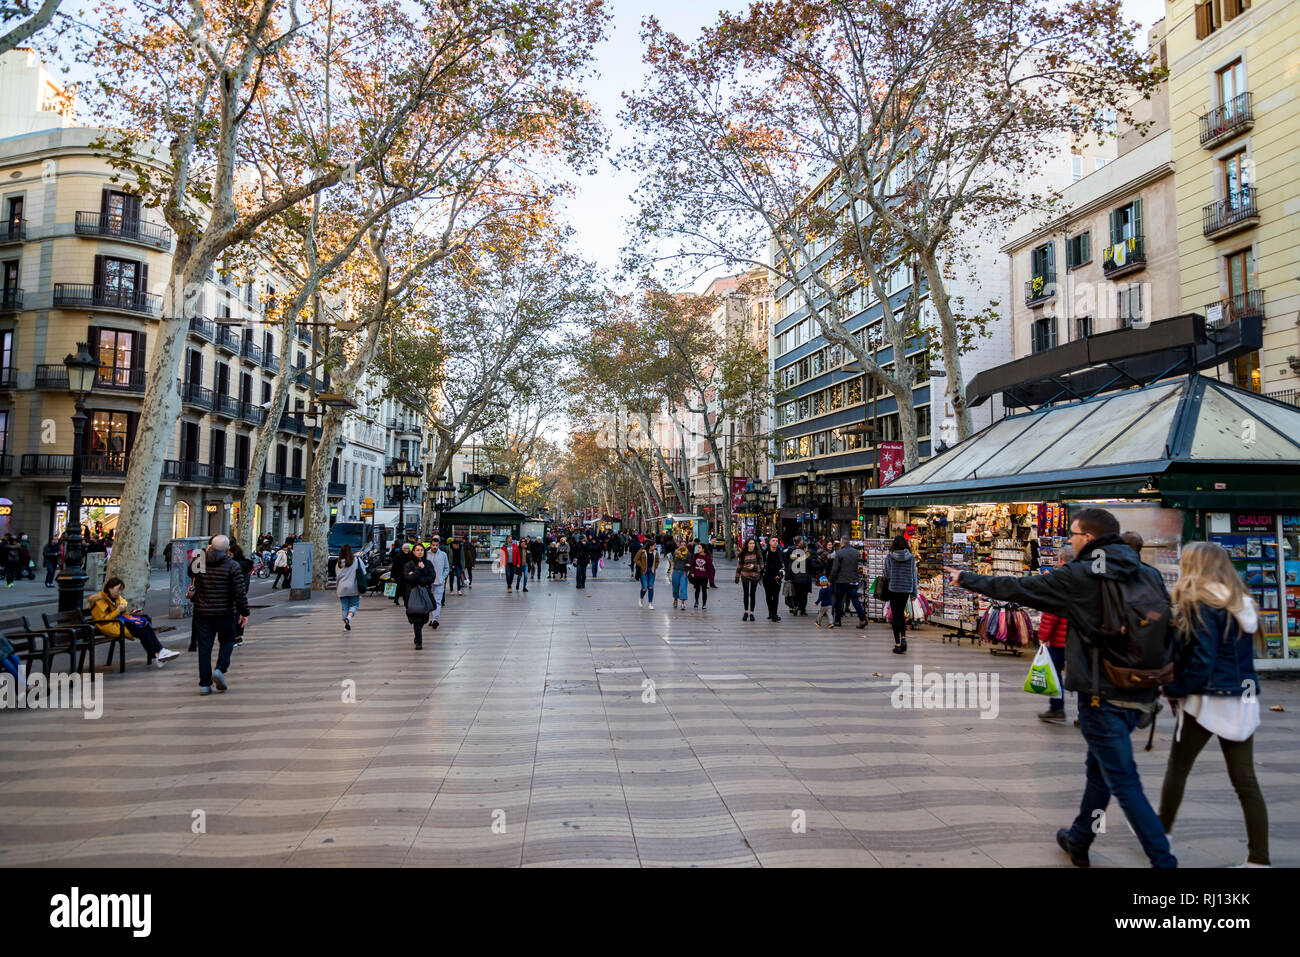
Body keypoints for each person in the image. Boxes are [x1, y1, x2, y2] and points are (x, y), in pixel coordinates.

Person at [947, 507, 1176, 868]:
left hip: (1102, 693)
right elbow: (1168, 627)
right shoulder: (1147, 572)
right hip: (1143, 689)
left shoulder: (1081, 575)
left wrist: (967, 578)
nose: (1069, 539)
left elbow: (1021, 588)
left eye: (1072, 534)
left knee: (1124, 782)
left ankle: (1164, 861)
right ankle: (1080, 838)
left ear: (1088, 538)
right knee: (1099, 769)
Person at [1158, 542, 1269, 868]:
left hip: (1205, 702)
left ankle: (1161, 836)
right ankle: (1259, 859)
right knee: (1246, 782)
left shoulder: (1200, 603)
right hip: (1241, 702)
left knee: (1178, 769)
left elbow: (1203, 660)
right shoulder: (1242, 604)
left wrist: (1176, 688)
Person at [189, 535, 250, 696]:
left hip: (202, 613)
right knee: (228, 640)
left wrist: (203, 553)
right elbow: (240, 592)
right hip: (224, 612)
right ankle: (220, 669)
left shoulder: (201, 561)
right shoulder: (232, 565)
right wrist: (244, 612)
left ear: (210, 547)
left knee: (204, 648)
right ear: (228, 549)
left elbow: (190, 572)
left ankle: (204, 684)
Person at [85, 576, 180, 668]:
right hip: (109, 626)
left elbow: (121, 613)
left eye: (121, 590)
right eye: (118, 589)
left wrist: (129, 613)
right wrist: (118, 611)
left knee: (145, 626)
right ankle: (158, 654)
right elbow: (103, 620)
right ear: (110, 589)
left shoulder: (115, 598)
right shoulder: (100, 601)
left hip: (118, 623)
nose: (119, 592)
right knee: (143, 631)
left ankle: (159, 653)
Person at [1036, 544, 1075, 723]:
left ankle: (1057, 708)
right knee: (1081, 674)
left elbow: (1051, 612)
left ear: (1060, 559)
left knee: (1055, 672)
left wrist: (1043, 636)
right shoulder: (1084, 577)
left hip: (1059, 640)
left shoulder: (1058, 579)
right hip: (1078, 638)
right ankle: (1084, 714)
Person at [883, 536, 917, 652]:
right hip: (906, 589)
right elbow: (914, 577)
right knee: (902, 615)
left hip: (894, 589)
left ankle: (897, 644)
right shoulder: (911, 558)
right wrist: (914, 593)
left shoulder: (889, 557)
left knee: (896, 615)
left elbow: (886, 574)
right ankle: (903, 637)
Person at [403, 543, 437, 649]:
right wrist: (418, 570)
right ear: (413, 552)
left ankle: (418, 636)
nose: (420, 552)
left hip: (425, 594)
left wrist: (417, 578)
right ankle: (419, 641)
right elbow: (408, 578)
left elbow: (431, 577)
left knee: (424, 618)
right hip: (411, 594)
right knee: (416, 618)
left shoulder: (428, 563)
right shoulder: (409, 565)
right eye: (417, 550)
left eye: (421, 550)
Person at [828, 538, 867, 629]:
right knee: (855, 600)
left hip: (842, 580)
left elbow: (835, 568)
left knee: (839, 599)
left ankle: (837, 620)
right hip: (853, 580)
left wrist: (830, 579)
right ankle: (863, 619)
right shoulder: (856, 552)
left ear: (842, 543)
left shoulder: (839, 553)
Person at [229, 540, 254, 647]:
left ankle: (234, 637)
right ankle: (238, 637)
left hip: (234, 592)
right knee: (239, 614)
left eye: (229, 554)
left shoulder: (235, 565)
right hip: (242, 591)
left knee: (234, 615)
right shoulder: (245, 564)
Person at [335, 543, 365, 632]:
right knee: (354, 605)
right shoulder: (357, 560)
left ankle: (346, 625)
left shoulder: (339, 563)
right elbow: (363, 571)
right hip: (353, 587)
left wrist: (337, 588)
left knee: (344, 607)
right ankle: (349, 617)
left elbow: (337, 576)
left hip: (341, 587)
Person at [735, 538, 763, 621]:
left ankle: (752, 613)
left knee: (752, 594)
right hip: (745, 575)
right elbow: (739, 565)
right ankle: (746, 612)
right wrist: (737, 576)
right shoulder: (743, 553)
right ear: (747, 544)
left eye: (753, 543)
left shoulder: (758, 553)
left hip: (755, 576)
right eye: (750, 543)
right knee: (746, 594)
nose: (752, 545)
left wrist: (754, 567)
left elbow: (762, 565)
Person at [785, 538, 812, 616]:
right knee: (804, 594)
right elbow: (812, 566)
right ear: (805, 548)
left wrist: (788, 577)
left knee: (796, 593)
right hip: (805, 579)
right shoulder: (807, 555)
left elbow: (790, 566)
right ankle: (802, 610)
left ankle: (796, 606)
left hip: (795, 578)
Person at [761, 536, 785, 621]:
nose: (775, 542)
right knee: (768, 596)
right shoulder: (765, 553)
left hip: (777, 578)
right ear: (769, 543)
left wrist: (780, 575)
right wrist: (760, 577)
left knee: (775, 596)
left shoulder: (780, 553)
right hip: (766, 578)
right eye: (773, 541)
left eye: (776, 541)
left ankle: (775, 614)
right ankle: (770, 613)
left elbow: (783, 566)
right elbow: (761, 565)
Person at [428, 535, 450, 629]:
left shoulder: (443, 555)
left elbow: (446, 568)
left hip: (439, 582)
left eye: (436, 545)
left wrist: (443, 578)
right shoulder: (426, 554)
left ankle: (435, 620)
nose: (435, 547)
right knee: (429, 602)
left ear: (439, 545)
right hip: (428, 583)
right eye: (433, 545)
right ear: (430, 545)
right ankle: (431, 618)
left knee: (437, 601)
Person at [635, 539, 659, 609]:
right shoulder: (642, 552)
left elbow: (657, 561)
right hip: (643, 571)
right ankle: (641, 599)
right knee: (645, 587)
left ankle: (650, 604)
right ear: (650, 546)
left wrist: (655, 567)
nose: (655, 547)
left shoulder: (656, 553)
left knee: (651, 587)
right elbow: (635, 559)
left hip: (651, 572)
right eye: (654, 546)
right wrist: (641, 565)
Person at [688, 543, 713, 610]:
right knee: (697, 590)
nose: (698, 549)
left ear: (703, 549)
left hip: (704, 577)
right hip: (696, 576)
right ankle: (696, 602)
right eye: (697, 547)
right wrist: (692, 572)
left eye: (699, 547)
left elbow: (710, 569)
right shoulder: (695, 555)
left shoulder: (707, 557)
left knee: (704, 590)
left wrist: (711, 580)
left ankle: (704, 604)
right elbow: (692, 565)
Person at [669, 540, 690, 610]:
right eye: (681, 545)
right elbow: (673, 562)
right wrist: (671, 571)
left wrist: (688, 565)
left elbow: (690, 563)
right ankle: (675, 599)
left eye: (684, 545)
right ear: (679, 545)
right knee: (675, 587)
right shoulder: (675, 553)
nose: (683, 546)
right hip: (676, 571)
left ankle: (682, 604)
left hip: (684, 572)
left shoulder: (688, 554)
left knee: (683, 587)